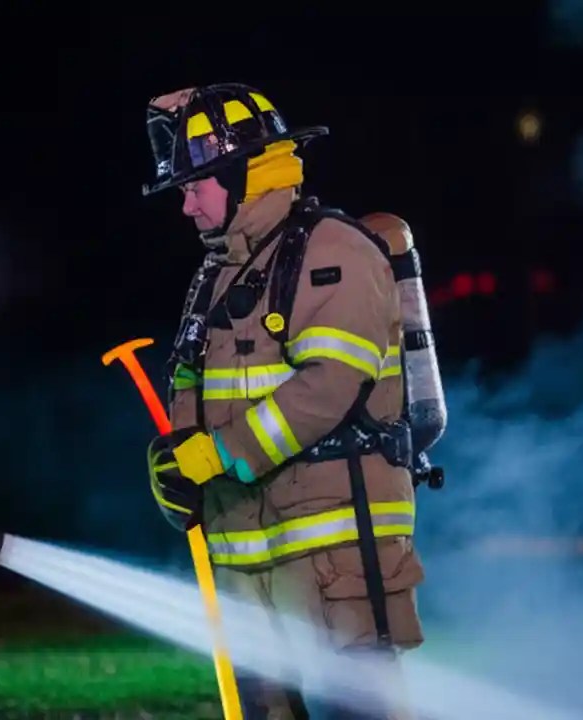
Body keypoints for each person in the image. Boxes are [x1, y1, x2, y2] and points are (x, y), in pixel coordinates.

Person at [141, 84, 426, 719]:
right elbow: (190, 379)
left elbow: (329, 383)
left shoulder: (334, 251)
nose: (185, 206)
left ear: (242, 170)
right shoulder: (219, 273)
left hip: (333, 564)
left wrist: (220, 453)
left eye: (195, 186)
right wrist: (175, 467)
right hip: (249, 564)